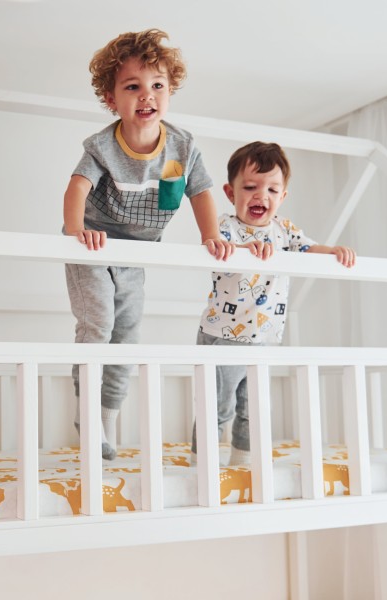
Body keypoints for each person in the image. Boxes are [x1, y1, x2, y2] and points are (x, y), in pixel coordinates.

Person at [63, 29, 232, 460]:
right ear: (111, 98)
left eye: (157, 85)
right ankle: (87, 417)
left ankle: (106, 420)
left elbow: (201, 193)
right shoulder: (102, 145)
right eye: (132, 86)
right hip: (96, 244)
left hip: (137, 252)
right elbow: (78, 187)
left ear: (170, 91)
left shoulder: (182, 146)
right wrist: (75, 232)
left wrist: (210, 236)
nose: (146, 95)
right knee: (98, 324)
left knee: (127, 337)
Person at [196, 141, 355, 466]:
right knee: (217, 405)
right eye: (250, 187)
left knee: (253, 407)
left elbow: (309, 249)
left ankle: (243, 462)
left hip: (266, 337)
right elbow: (219, 247)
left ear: (282, 197)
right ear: (230, 192)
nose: (261, 196)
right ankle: (203, 465)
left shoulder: (284, 230)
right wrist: (246, 247)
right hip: (222, 336)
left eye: (271, 189)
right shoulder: (225, 227)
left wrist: (335, 252)